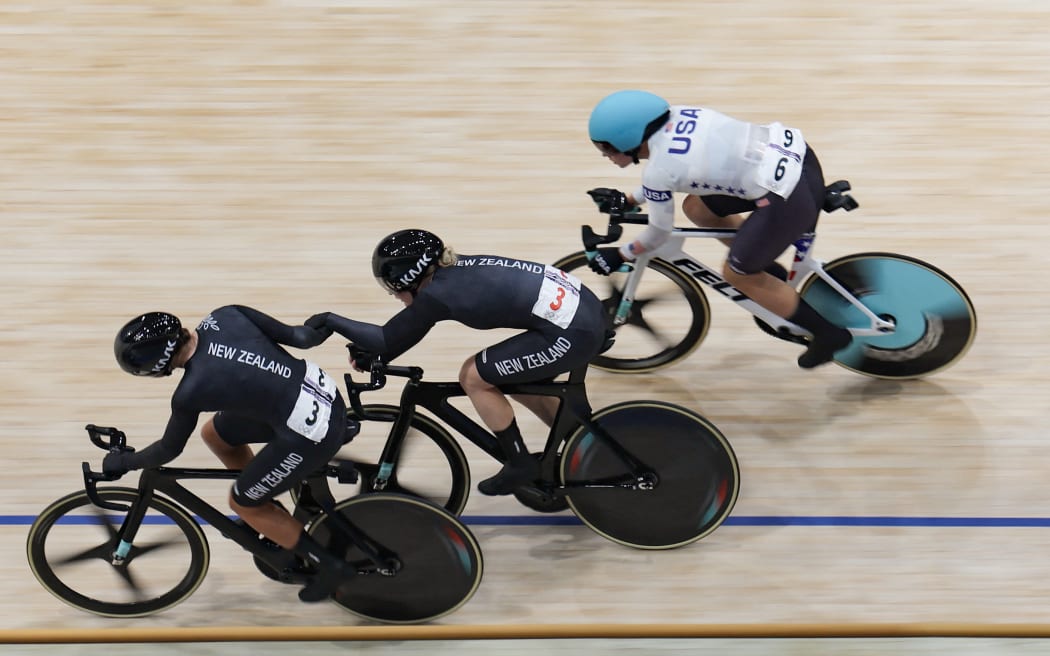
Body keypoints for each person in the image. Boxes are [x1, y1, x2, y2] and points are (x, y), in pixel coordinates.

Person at [306, 229, 609, 496]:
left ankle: (520, 462)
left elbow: (388, 338)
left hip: (572, 331)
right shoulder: (454, 268)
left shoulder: (438, 294)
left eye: (393, 288)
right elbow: (402, 337)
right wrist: (378, 355)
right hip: (583, 310)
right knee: (509, 378)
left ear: (408, 279)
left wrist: (331, 321)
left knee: (474, 376)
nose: (394, 295)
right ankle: (588, 442)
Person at [585, 89, 851, 369]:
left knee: (736, 274)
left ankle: (828, 335)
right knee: (696, 207)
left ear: (629, 139)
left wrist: (622, 254)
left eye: (606, 148)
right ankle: (766, 269)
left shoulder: (658, 170)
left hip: (785, 198)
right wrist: (628, 200)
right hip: (799, 157)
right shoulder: (681, 114)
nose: (606, 155)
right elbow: (675, 174)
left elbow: (658, 233)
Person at [105, 306, 354, 603]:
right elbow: (302, 337)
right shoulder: (225, 314)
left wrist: (125, 462)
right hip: (326, 395)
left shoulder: (191, 391)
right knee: (216, 435)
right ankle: (270, 512)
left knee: (242, 501)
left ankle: (330, 566)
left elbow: (168, 450)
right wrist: (327, 321)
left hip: (309, 433)